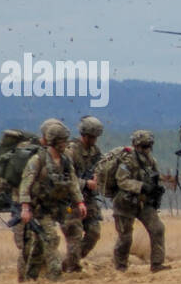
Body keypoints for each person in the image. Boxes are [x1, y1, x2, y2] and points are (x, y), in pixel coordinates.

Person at [17, 119, 86, 281]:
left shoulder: (66, 160)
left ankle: (30, 278)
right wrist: (25, 208)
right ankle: (55, 277)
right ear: (54, 142)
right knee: (51, 238)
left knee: (39, 245)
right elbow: (25, 184)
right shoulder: (38, 160)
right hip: (40, 209)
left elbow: (73, 182)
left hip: (58, 208)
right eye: (62, 141)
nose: (65, 144)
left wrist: (80, 202)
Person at [111, 130, 169, 273]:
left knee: (158, 229)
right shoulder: (127, 161)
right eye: (143, 146)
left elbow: (154, 178)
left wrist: (156, 189)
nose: (146, 149)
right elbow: (122, 181)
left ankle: (157, 264)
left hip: (143, 203)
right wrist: (141, 186)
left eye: (148, 146)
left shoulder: (151, 161)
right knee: (125, 238)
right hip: (125, 203)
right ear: (136, 146)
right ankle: (120, 266)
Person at [62, 115, 105, 272]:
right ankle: (72, 269)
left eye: (96, 137)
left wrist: (97, 178)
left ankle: (69, 263)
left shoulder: (95, 151)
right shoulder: (70, 152)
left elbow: (100, 168)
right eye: (92, 137)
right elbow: (64, 178)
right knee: (74, 236)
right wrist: (85, 183)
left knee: (94, 232)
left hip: (89, 199)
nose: (94, 140)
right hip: (71, 200)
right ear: (84, 135)